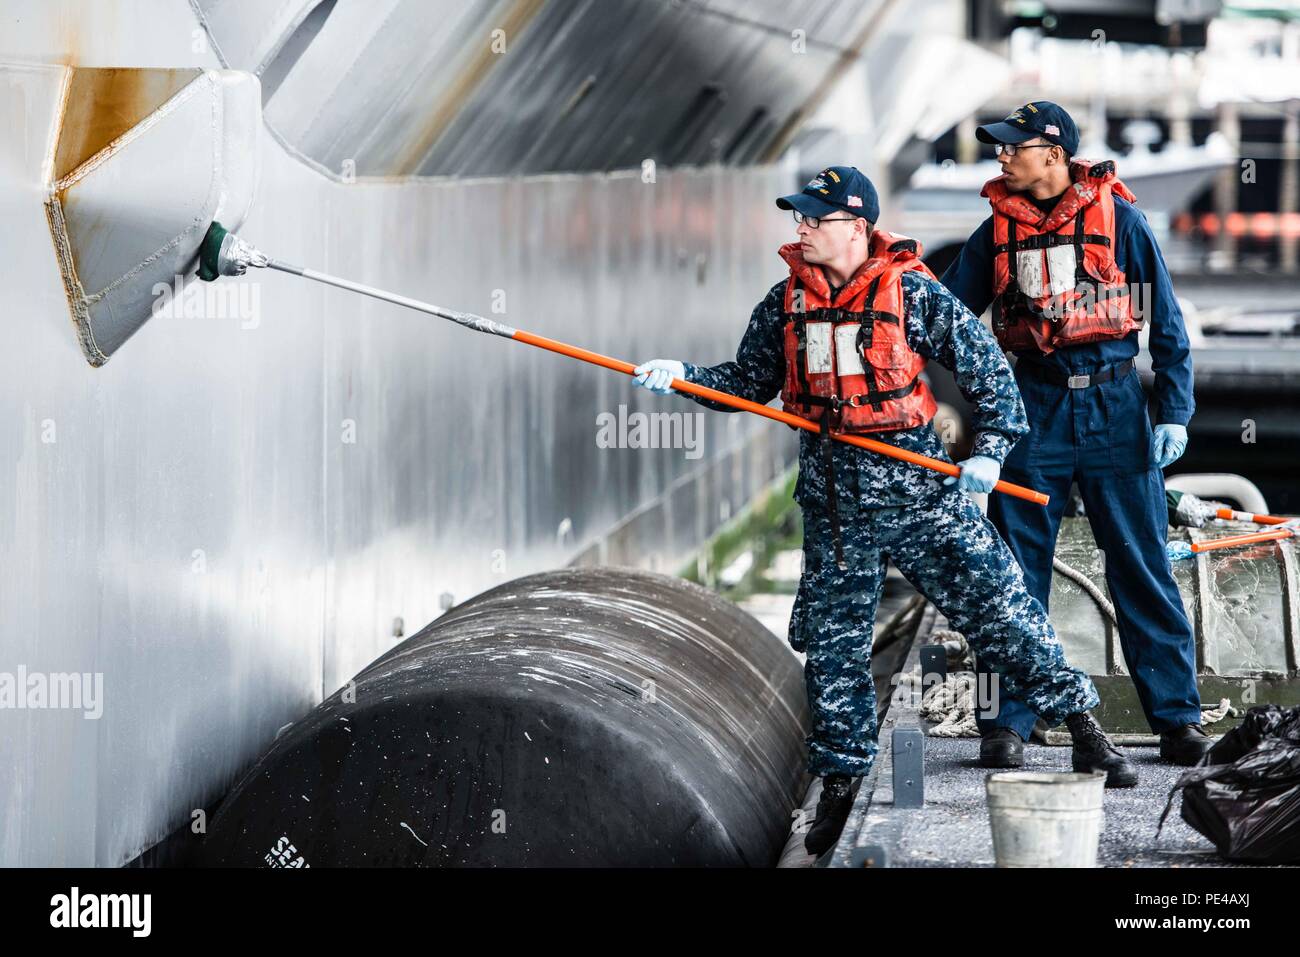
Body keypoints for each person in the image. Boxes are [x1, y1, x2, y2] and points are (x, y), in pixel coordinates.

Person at [633, 165, 1136, 858]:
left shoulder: (910, 294)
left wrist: (988, 454)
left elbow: (988, 371)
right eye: (799, 218)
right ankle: (840, 783)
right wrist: (685, 377)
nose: (801, 228)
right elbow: (747, 384)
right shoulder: (785, 304)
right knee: (835, 653)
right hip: (837, 502)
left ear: (856, 226)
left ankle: (1083, 727)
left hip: (922, 492)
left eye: (815, 218)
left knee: (1002, 608)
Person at [939, 102, 1211, 770]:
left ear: (1053, 154)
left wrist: (1173, 410)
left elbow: (1168, 326)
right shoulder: (996, 232)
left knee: (1141, 565)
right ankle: (1003, 725)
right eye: (1000, 149)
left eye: (1013, 147)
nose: (1002, 157)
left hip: (1116, 407)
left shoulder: (1122, 222)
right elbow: (941, 318)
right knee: (1006, 576)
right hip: (1031, 406)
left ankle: (1178, 721)